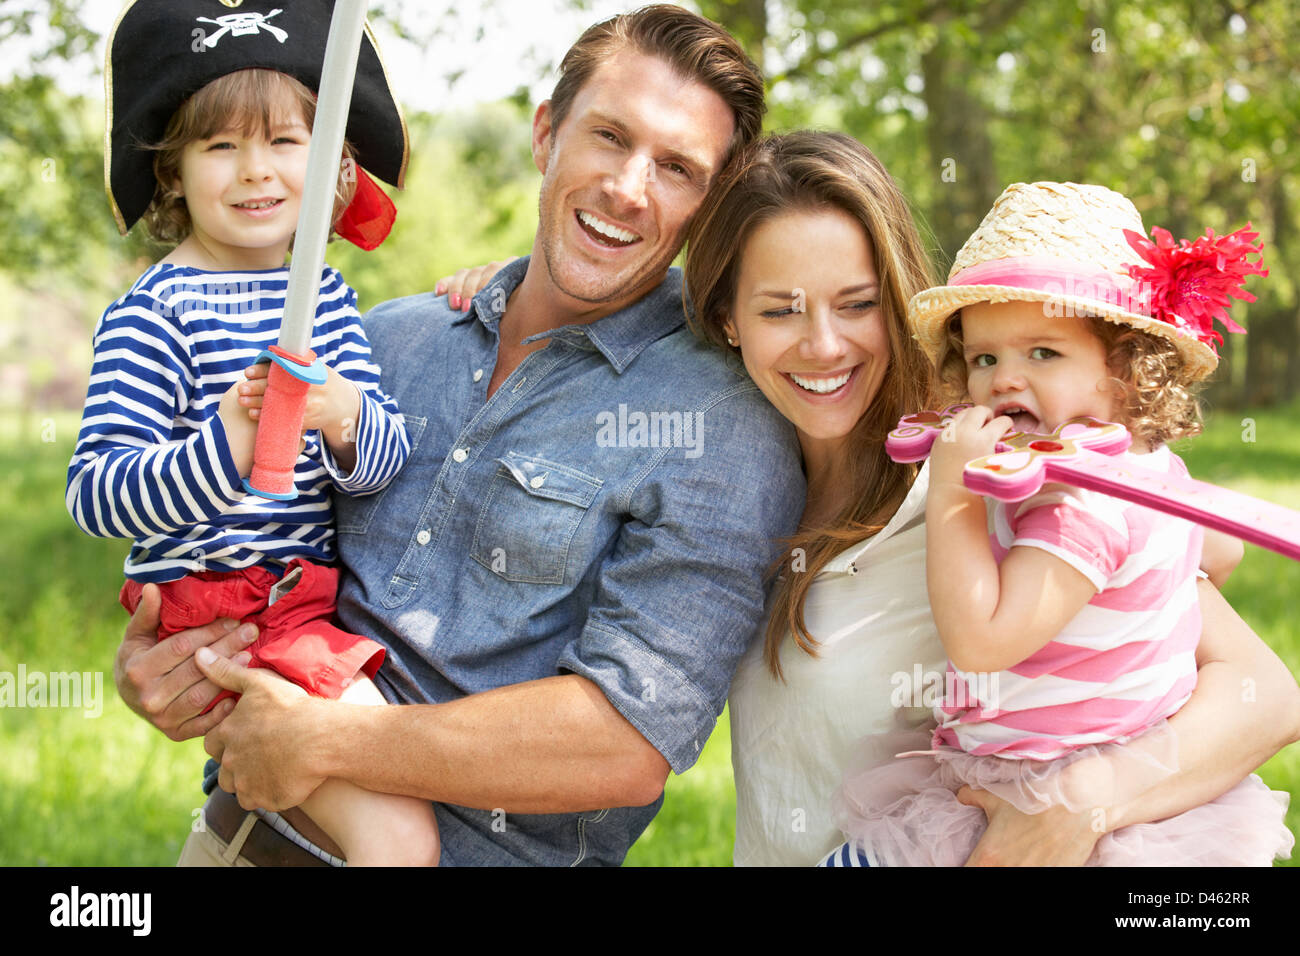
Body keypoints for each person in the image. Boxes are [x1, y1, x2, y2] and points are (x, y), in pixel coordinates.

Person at [113, 4, 806, 866]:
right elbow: (245, 548)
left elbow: (623, 743)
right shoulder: (388, 340)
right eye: (609, 136)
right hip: (231, 843)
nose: (630, 187)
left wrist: (326, 742)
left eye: (676, 167)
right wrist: (176, 666)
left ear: (709, 204)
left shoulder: (721, 421)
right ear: (546, 133)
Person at [681, 134, 1300, 866]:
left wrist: (1077, 807)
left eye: (858, 304)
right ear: (729, 319)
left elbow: (1264, 692)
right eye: (781, 310)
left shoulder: (1011, 486)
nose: (823, 344)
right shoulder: (720, 492)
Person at [72, 2, 447, 865]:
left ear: (330, 168)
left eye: (286, 144)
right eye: (221, 147)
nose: (257, 173)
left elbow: (381, 460)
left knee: (378, 819)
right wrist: (233, 440)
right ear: (170, 173)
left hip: (305, 601)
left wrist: (342, 417)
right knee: (400, 838)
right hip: (223, 608)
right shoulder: (153, 315)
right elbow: (99, 494)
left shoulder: (322, 297)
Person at [829, 181, 1292, 866]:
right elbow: (1216, 551)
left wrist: (953, 493)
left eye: (1042, 353)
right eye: (986, 357)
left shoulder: (1084, 507)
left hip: (1046, 800)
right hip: (1045, 775)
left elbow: (983, 640)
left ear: (1128, 371)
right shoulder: (1148, 471)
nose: (1004, 380)